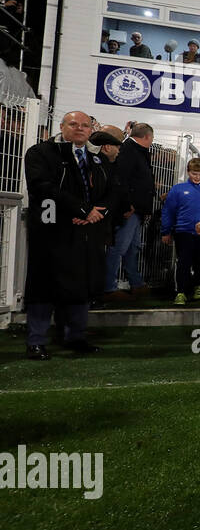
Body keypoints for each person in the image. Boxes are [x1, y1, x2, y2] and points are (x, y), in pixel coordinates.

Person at [23, 111, 116, 359]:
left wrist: (95, 214)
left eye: (85, 125)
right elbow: (42, 186)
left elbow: (113, 192)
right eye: (73, 124)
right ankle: (36, 341)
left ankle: (76, 337)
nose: (80, 129)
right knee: (44, 285)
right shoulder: (41, 153)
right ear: (62, 126)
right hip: (52, 231)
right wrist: (82, 209)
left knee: (81, 286)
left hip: (87, 232)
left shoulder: (98, 159)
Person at [103, 122, 156, 302]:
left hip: (136, 210)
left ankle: (136, 283)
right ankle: (108, 287)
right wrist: (127, 205)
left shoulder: (133, 151)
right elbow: (121, 179)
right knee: (119, 248)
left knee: (132, 248)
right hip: (130, 210)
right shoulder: (129, 151)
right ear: (148, 137)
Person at [160, 158, 200, 305]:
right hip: (183, 231)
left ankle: (197, 285)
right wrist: (166, 231)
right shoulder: (178, 189)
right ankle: (180, 292)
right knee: (183, 261)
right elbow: (168, 211)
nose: (197, 177)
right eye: (194, 173)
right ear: (188, 172)